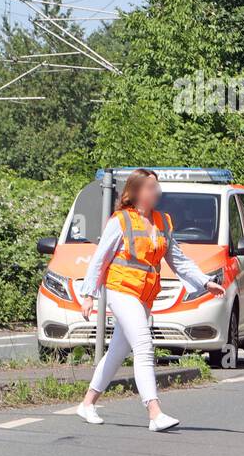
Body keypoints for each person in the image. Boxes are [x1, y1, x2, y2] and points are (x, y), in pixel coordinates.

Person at [74, 168, 225, 431]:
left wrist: (205, 282)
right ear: (136, 192)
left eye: (157, 186)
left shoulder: (163, 222)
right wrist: (88, 295)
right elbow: (100, 259)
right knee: (144, 346)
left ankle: (87, 403)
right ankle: (154, 413)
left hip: (144, 296)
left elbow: (177, 259)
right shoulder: (120, 221)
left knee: (117, 352)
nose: (157, 191)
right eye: (151, 187)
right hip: (121, 291)